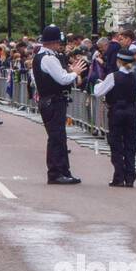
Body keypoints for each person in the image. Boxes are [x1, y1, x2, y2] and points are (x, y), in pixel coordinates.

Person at [33, 25, 88, 185]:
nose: (60, 45)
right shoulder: (48, 58)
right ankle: (56, 172)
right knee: (56, 137)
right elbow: (62, 79)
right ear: (53, 42)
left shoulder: (41, 56)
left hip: (50, 100)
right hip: (53, 101)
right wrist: (75, 73)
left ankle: (63, 170)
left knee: (59, 137)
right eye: (58, 42)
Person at [95, 48, 136, 187]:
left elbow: (98, 92)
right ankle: (130, 177)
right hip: (131, 111)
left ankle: (119, 176)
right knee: (131, 143)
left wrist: (98, 84)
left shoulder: (113, 76)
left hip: (116, 111)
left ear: (119, 61)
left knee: (116, 143)